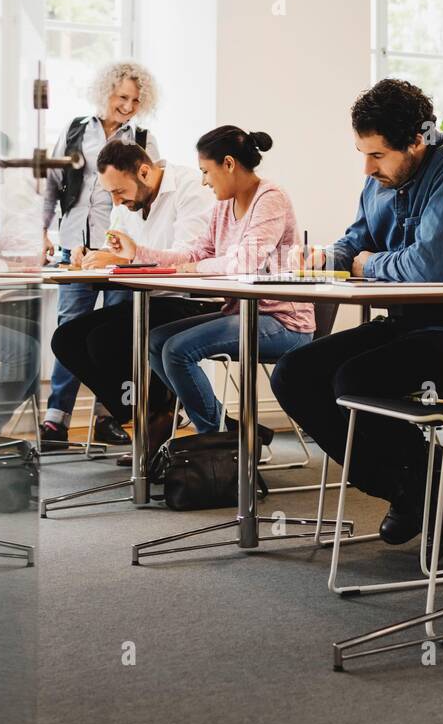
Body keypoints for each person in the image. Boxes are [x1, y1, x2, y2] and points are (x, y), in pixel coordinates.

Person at [271, 78, 443, 559]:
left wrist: (364, 264)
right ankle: (416, 486)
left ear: (417, 141)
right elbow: (356, 239)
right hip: (407, 326)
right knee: (295, 374)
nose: (366, 168)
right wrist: (323, 258)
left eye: (377, 156)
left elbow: (430, 267)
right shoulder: (381, 176)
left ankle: (421, 483)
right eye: (362, 154)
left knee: (352, 378)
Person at [113, 126, 314, 458]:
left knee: (178, 350)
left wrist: (197, 267)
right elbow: (195, 256)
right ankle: (224, 435)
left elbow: (245, 262)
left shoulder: (271, 198)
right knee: (156, 341)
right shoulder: (224, 205)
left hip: (284, 322)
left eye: (206, 171)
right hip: (243, 314)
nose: (204, 181)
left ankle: (216, 447)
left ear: (229, 164)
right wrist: (138, 252)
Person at [49, 140, 214, 452]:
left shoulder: (190, 188)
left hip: (191, 299)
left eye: (119, 191)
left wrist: (123, 260)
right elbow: (115, 248)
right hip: (147, 299)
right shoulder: (126, 204)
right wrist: (89, 256)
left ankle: (162, 412)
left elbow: (186, 258)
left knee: (105, 340)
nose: (115, 200)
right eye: (109, 193)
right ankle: (152, 411)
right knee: (66, 339)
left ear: (144, 171)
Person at [39, 61, 160, 452]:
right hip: (75, 248)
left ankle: (110, 417)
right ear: (105, 92)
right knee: (70, 330)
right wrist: (41, 230)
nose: (128, 106)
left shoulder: (142, 138)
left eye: (135, 100)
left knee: (115, 337)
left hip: (120, 253)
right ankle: (56, 419)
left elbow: (151, 196)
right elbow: (52, 185)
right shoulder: (76, 130)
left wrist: (139, 249)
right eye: (122, 97)